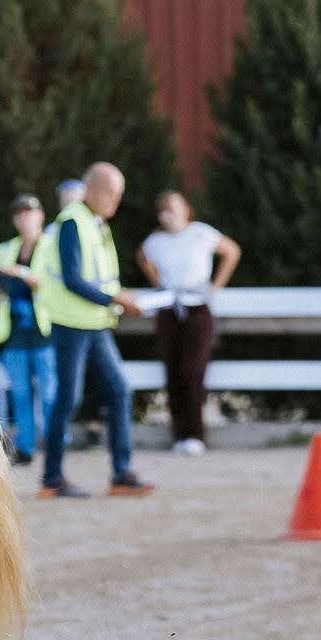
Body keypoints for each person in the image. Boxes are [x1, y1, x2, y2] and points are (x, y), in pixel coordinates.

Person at [37, 162, 151, 499]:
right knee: (68, 399)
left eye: (119, 194)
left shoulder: (95, 222)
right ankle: (52, 479)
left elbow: (99, 277)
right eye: (110, 193)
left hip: (95, 323)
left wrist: (117, 299)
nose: (115, 200)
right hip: (72, 324)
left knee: (119, 390)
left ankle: (121, 474)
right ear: (91, 190)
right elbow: (72, 279)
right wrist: (114, 299)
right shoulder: (73, 221)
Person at [137, 192, 241, 455]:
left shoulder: (199, 233)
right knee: (172, 369)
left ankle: (195, 433)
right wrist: (157, 282)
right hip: (169, 306)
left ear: (186, 210)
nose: (167, 214)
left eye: (172, 208)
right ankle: (178, 433)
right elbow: (142, 256)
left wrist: (215, 286)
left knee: (193, 369)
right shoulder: (156, 241)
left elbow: (231, 251)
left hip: (196, 306)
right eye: (163, 210)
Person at [0, 195, 54, 465]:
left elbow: (49, 283)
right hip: (14, 327)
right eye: (20, 214)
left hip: (43, 325)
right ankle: (26, 446)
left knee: (49, 390)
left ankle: (54, 442)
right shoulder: (6, 248)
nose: (25, 218)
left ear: (40, 216)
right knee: (21, 391)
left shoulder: (51, 246)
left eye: (30, 213)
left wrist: (20, 273)